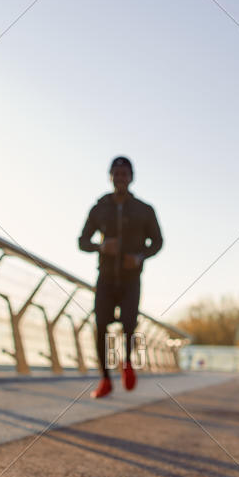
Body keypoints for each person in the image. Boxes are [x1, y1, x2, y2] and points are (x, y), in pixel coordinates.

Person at [78, 156, 163, 398]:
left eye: (125, 173)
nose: (121, 178)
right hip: (105, 277)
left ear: (131, 177)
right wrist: (100, 247)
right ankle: (105, 379)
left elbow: (158, 241)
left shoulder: (144, 210)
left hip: (130, 279)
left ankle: (127, 364)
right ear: (110, 177)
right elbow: (82, 241)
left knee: (129, 324)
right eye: (116, 173)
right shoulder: (99, 208)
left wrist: (139, 257)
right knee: (101, 326)